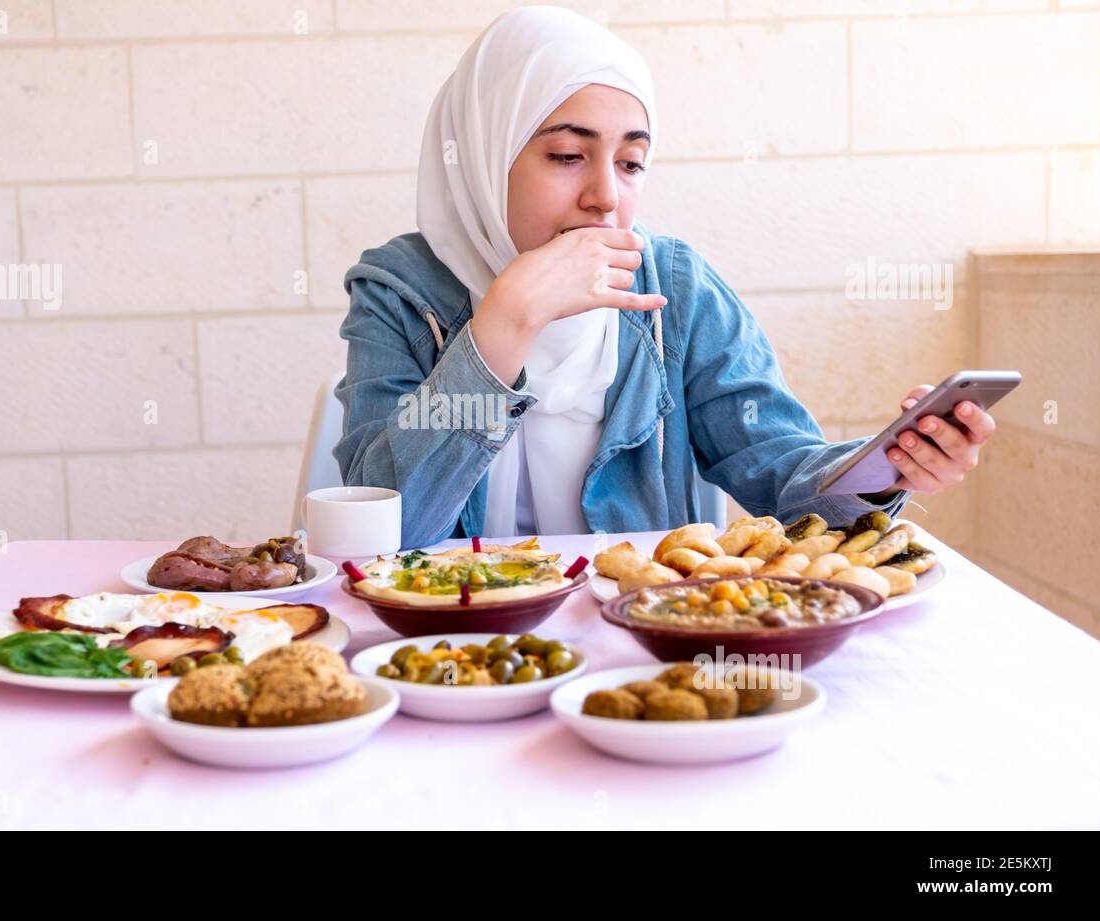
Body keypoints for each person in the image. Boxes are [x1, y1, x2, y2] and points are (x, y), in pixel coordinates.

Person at [333, 5, 994, 548]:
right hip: (460, 654)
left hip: (643, 643)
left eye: (630, 164)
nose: (605, 198)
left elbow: (784, 475)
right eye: (567, 155)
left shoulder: (673, 286)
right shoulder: (399, 291)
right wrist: (502, 327)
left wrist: (886, 469)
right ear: (485, 150)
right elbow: (377, 537)